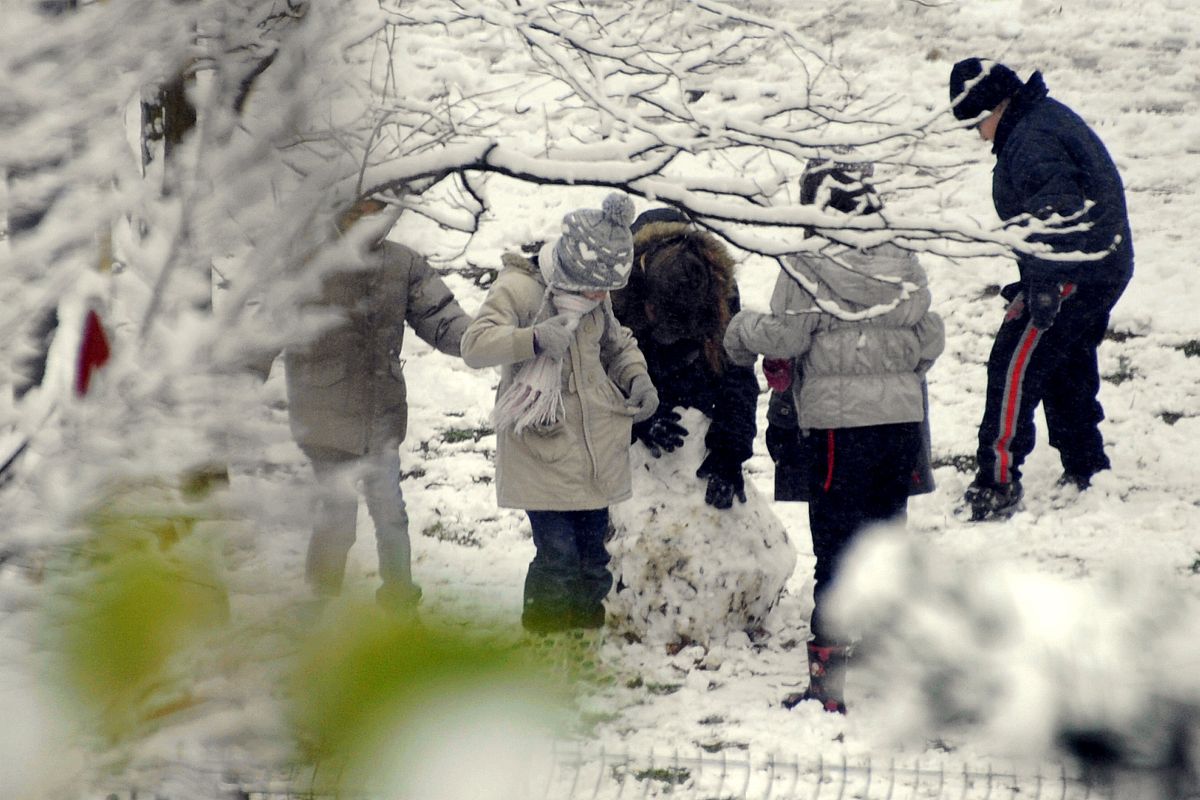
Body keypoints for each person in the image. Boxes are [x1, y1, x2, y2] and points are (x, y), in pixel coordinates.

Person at [723, 160, 945, 713]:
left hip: (837, 436)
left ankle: (827, 685)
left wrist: (740, 330)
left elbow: (787, 337)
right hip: (899, 427)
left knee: (837, 548)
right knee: (884, 542)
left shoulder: (807, 262)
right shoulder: (901, 258)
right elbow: (929, 340)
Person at [461, 192, 657, 634]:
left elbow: (616, 344)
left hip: (594, 451)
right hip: (542, 447)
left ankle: (583, 649)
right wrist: (532, 339)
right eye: (593, 286)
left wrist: (637, 378)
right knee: (558, 561)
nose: (600, 295)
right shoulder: (519, 289)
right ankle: (546, 650)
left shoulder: (595, 295)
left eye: (607, 288)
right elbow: (474, 346)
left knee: (594, 563)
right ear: (569, 266)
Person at [948, 58, 1134, 521]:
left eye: (975, 123)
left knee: (1013, 365)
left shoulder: (1031, 140)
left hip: (1076, 267)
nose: (978, 135)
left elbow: (1057, 211)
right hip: (1098, 264)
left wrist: (1046, 283)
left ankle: (996, 482)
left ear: (995, 106)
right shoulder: (1037, 120)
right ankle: (1086, 464)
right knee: (1064, 360)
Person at [279, 197, 471, 615]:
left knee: (391, 516)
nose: (369, 213)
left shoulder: (402, 263)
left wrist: (483, 340)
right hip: (325, 416)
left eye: (378, 205)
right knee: (337, 518)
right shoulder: (308, 264)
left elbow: (441, 318)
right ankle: (318, 603)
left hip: (380, 412)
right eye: (360, 205)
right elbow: (266, 328)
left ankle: (400, 604)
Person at [609, 208, 758, 510]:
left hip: (699, 417)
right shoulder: (616, 292)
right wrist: (638, 418)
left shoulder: (717, 287)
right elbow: (597, 375)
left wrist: (729, 452)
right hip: (635, 433)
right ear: (649, 307)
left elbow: (736, 373)